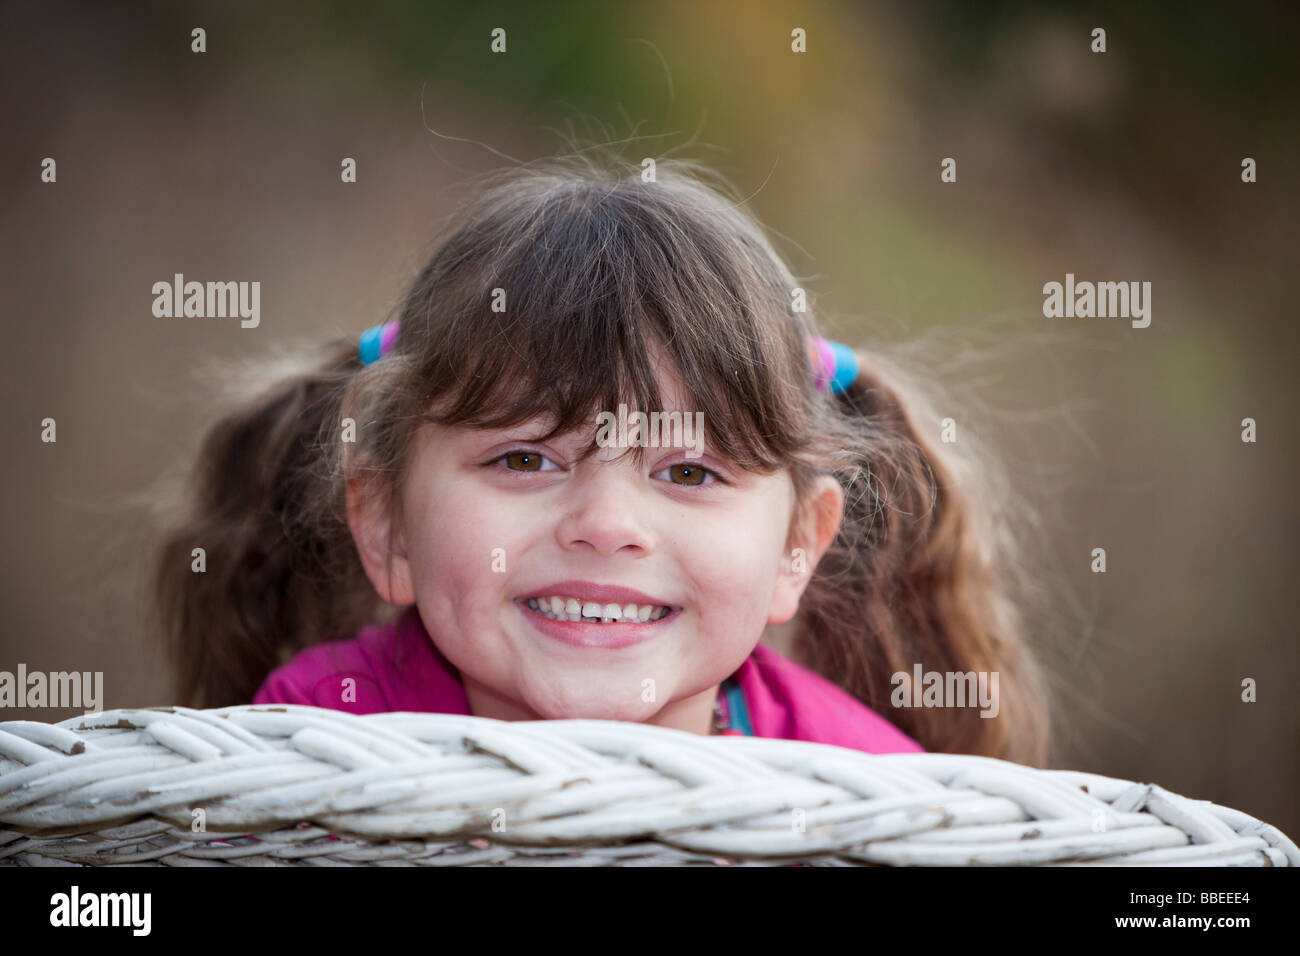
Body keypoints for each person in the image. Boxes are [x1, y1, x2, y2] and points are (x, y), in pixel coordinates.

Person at [151, 152, 1050, 764]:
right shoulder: (304, 758)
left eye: (690, 472)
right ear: (385, 526)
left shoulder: (867, 792)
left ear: (797, 550)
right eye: (525, 461)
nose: (607, 527)